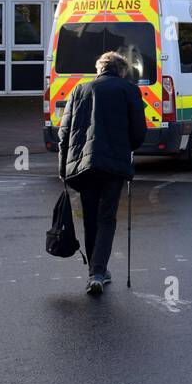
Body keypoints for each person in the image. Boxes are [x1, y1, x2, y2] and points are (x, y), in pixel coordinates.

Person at [58, 51, 147, 296]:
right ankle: (98, 272)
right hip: (114, 165)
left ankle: (94, 274)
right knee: (107, 218)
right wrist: (127, 145)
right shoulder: (129, 90)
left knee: (90, 217)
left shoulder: (79, 90)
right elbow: (139, 134)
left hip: (83, 165)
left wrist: (62, 167)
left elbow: (63, 133)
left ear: (99, 69)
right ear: (121, 70)